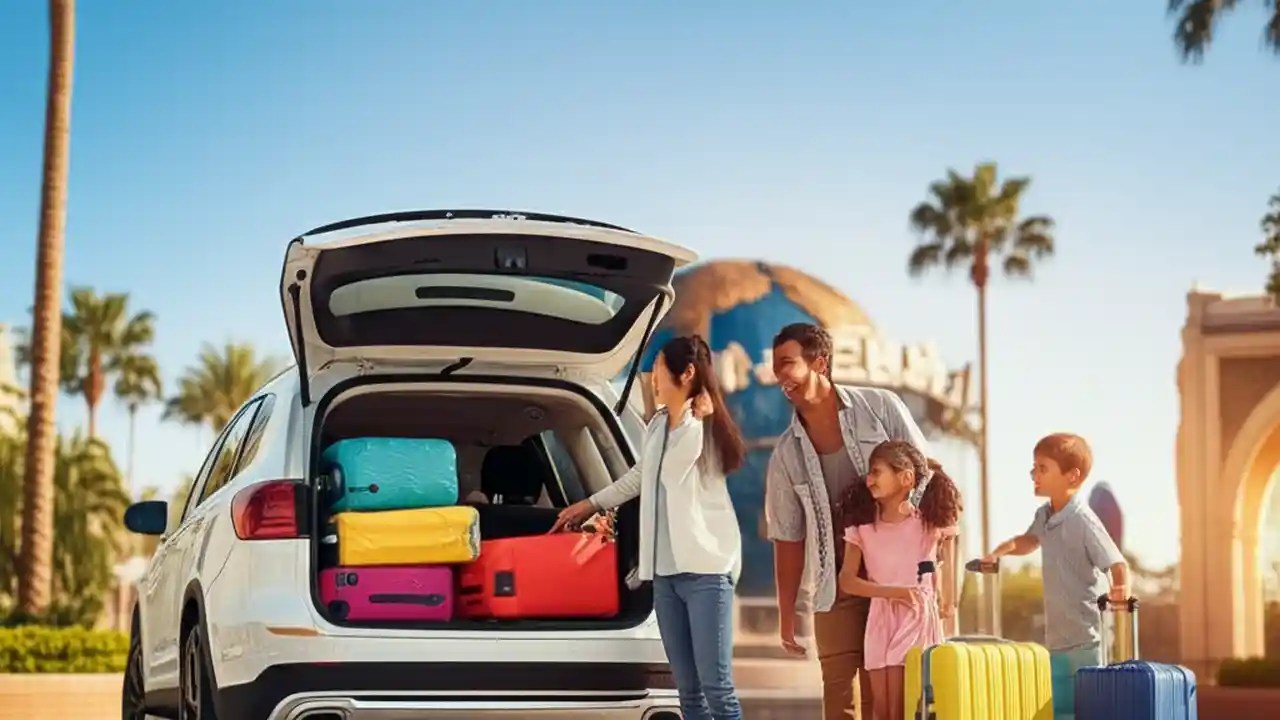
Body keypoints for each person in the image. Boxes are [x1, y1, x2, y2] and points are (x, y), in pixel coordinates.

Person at [551, 334, 747, 720]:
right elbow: (641, 476)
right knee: (688, 692)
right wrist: (589, 504)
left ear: (685, 374)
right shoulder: (658, 425)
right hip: (666, 576)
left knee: (717, 687)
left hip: (706, 574)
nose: (652, 377)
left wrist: (689, 418)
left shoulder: (703, 426)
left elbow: (672, 474)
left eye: (657, 368)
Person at [763, 322, 934, 720]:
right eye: (775, 366)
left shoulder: (880, 408)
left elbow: (925, 474)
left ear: (819, 363)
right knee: (838, 696)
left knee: (883, 698)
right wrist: (786, 615)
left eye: (787, 363)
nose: (779, 375)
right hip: (834, 585)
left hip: (891, 581)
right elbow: (788, 537)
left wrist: (908, 546)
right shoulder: (786, 454)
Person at [983, 432, 1130, 720]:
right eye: (1034, 468)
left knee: (1087, 707)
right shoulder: (1045, 515)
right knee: (1059, 708)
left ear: (1071, 476)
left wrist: (1121, 588)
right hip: (1057, 638)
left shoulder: (1083, 520)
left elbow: (1117, 563)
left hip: (1086, 638)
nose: (1034, 475)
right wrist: (1002, 551)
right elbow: (1029, 540)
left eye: (1042, 468)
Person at [837, 440, 961, 720]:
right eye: (869, 472)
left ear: (906, 478)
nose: (869, 479)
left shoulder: (927, 523)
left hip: (915, 615)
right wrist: (896, 593)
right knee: (882, 710)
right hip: (880, 617)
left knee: (902, 707)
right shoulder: (863, 527)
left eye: (877, 472)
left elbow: (949, 556)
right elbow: (847, 581)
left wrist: (948, 601)